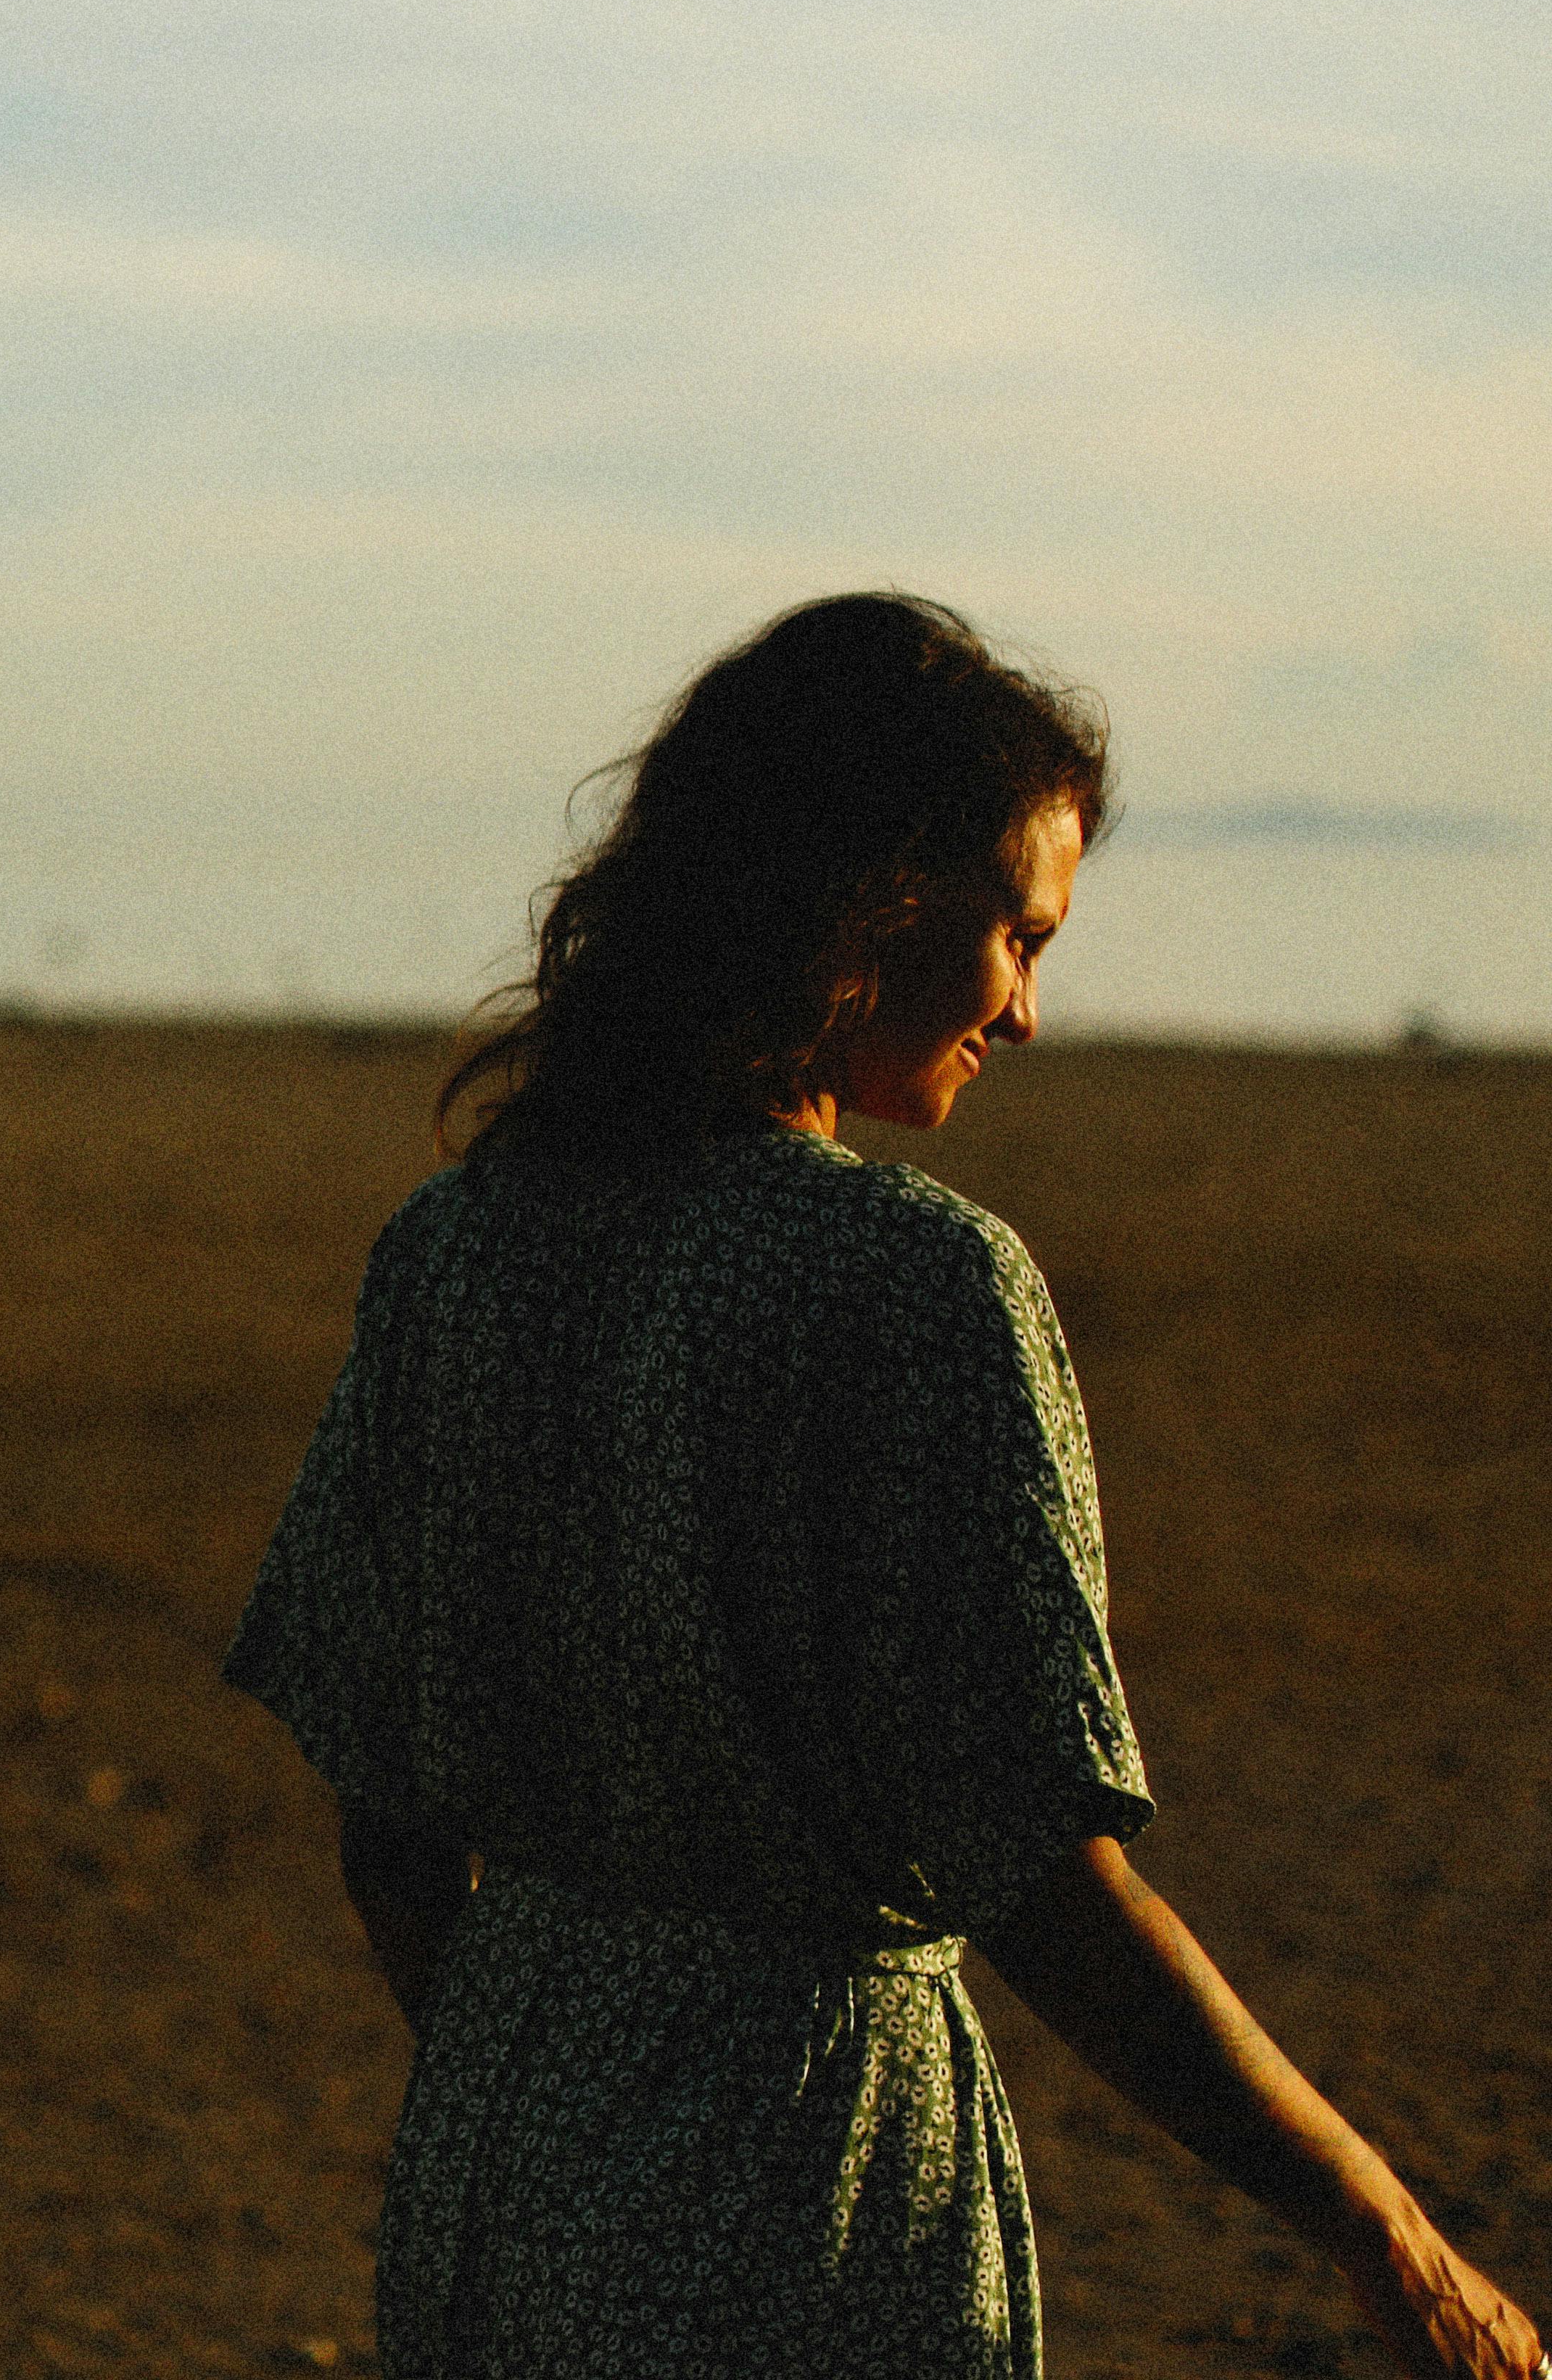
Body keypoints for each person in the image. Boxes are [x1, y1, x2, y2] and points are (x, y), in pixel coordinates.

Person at [223, 593, 1539, 2379]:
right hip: (814, 2174)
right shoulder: (919, 1285)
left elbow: (385, 1824)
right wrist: (1382, 2225)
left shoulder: (452, 1250)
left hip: (504, 2155)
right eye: (1015, 934)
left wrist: (558, 2082)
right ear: (867, 903)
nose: (1026, 1009)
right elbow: (1040, 1874)